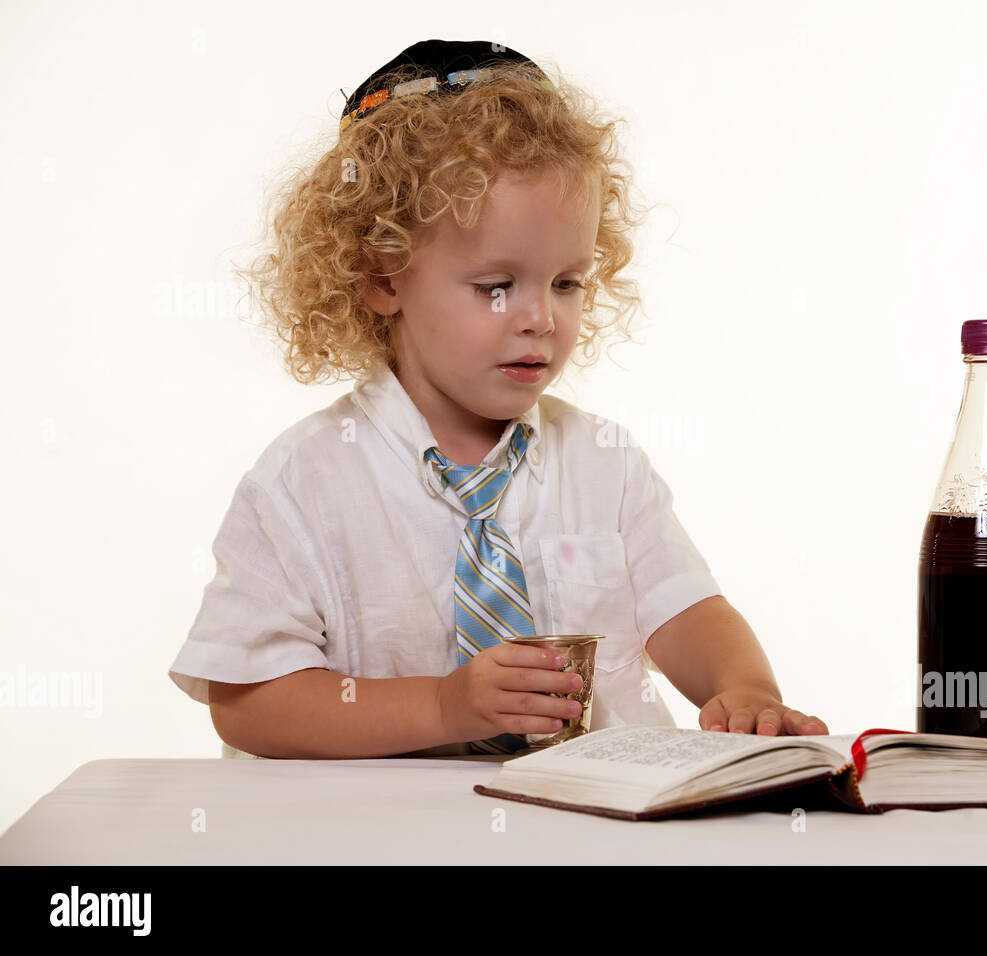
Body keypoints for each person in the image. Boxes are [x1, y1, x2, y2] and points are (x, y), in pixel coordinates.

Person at [167, 38, 828, 759]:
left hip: (591, 827)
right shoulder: (305, 482)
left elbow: (685, 609)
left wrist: (742, 686)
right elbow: (250, 702)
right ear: (384, 278)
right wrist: (444, 706)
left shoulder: (604, 463)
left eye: (567, 282)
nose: (541, 317)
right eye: (495, 287)